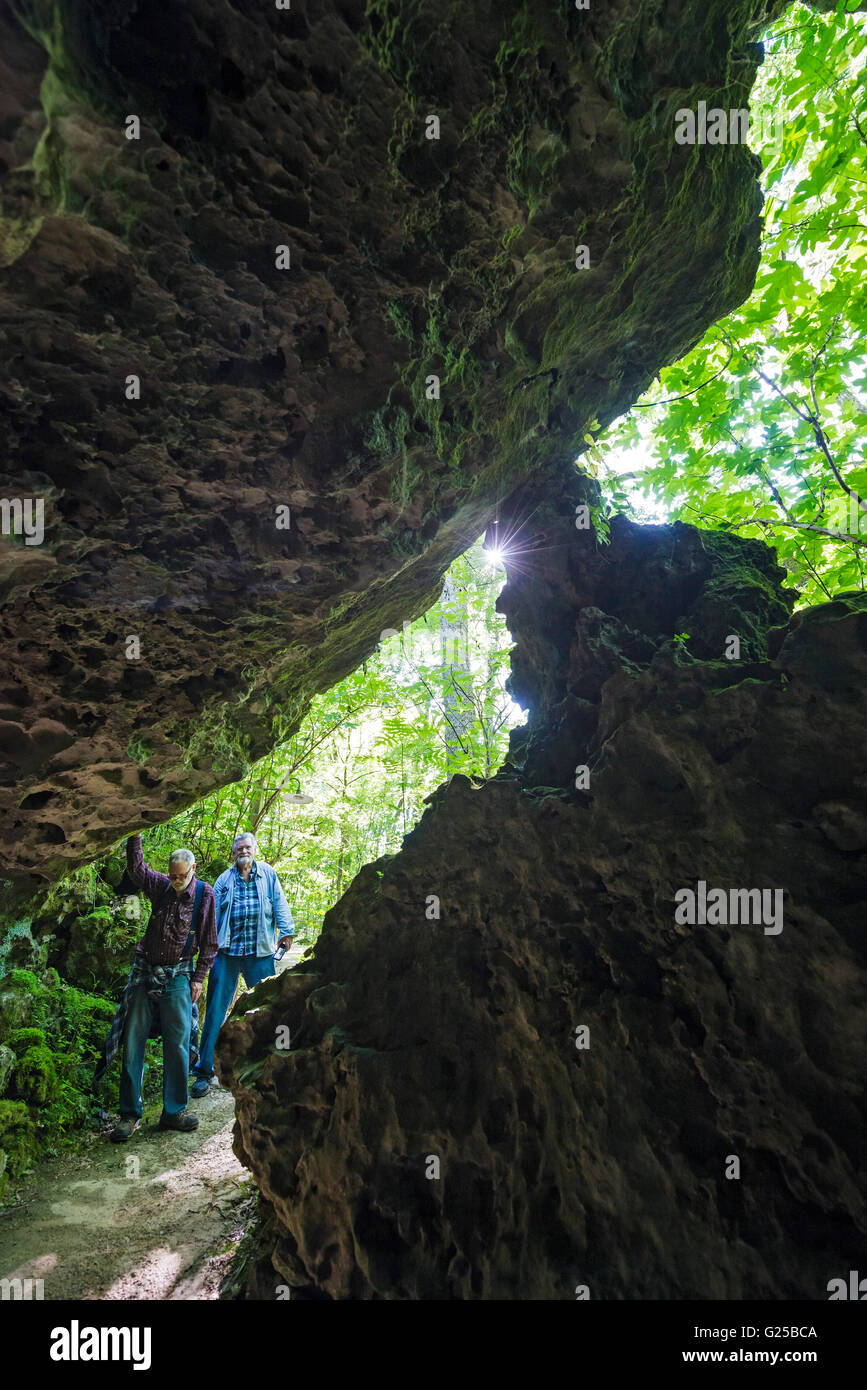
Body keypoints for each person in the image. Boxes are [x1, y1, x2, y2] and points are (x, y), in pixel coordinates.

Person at [98, 833, 217, 1141]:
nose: (176, 880)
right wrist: (136, 832)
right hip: (144, 971)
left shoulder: (205, 895)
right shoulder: (161, 885)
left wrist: (198, 979)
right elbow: (137, 870)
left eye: (182, 876)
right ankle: (129, 1115)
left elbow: (209, 942)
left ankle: (173, 1111)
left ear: (193, 870)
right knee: (133, 1039)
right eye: (173, 874)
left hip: (179, 976)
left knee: (177, 1044)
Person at [191, 831, 293, 1096]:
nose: (243, 852)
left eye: (247, 847)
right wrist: (207, 949)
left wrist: (286, 931)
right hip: (226, 954)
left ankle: (274, 1063)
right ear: (234, 852)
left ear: (254, 850)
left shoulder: (268, 874)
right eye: (239, 849)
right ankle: (204, 1071)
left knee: (269, 1010)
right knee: (215, 1011)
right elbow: (211, 916)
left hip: (259, 953)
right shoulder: (224, 879)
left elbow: (280, 903)